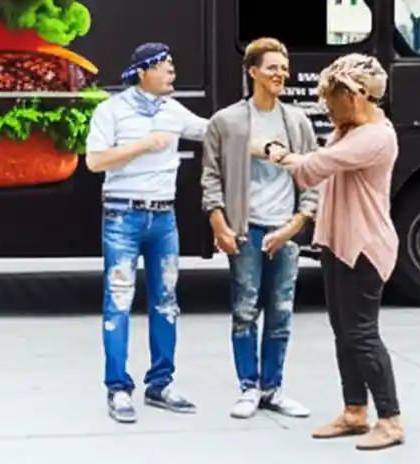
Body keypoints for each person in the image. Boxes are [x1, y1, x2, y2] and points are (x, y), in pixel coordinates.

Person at [273, 53, 405, 451]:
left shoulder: (374, 137)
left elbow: (314, 168)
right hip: (337, 242)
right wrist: (292, 156)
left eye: (332, 97)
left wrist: (282, 156)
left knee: (362, 334)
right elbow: (317, 161)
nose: (326, 105)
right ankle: (353, 412)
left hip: (363, 246)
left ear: (357, 95)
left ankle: (391, 419)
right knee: (343, 333)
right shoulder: (349, 129)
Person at [85, 42, 209, 423]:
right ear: (143, 71)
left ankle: (160, 383)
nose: (172, 71)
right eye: (165, 66)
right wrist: (142, 145)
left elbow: (211, 131)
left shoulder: (172, 111)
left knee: (166, 301)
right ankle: (118, 389)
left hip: (164, 219)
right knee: (118, 303)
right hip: (123, 217)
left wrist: (264, 143)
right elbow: (94, 161)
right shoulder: (111, 110)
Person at [200, 37, 319, 419]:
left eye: (284, 68)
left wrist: (298, 223)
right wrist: (220, 224)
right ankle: (248, 387)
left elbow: (313, 176)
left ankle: (273, 387)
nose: (281, 74)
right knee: (245, 309)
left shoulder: (296, 120)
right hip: (246, 227)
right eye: (272, 68)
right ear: (252, 72)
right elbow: (211, 178)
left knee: (282, 311)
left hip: (284, 227)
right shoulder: (227, 121)